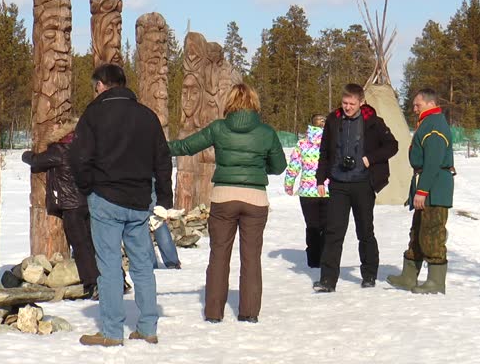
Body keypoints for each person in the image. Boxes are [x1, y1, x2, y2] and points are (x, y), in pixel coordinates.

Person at [70, 64, 173, 346]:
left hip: (105, 200)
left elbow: (78, 158)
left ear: (102, 84)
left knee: (110, 265)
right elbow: (163, 162)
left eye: (95, 86)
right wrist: (163, 199)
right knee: (142, 265)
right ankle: (148, 327)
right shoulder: (147, 117)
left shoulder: (93, 114)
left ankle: (112, 332)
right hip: (140, 201)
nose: (95, 91)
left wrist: (87, 188)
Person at [168, 83, 286, 324]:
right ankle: (249, 313)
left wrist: (153, 147)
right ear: (254, 103)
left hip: (223, 197)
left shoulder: (219, 128)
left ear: (229, 103)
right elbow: (279, 166)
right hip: (255, 200)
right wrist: (257, 166)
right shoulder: (266, 132)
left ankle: (213, 313)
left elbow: (185, 147)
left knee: (219, 255)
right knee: (251, 257)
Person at [313, 83, 398, 292]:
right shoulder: (333, 120)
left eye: (352, 103)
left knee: (365, 230)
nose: (348, 107)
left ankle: (369, 274)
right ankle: (327, 279)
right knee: (333, 232)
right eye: (345, 103)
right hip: (338, 183)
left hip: (363, 183)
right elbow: (324, 151)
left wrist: (371, 158)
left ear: (361, 102)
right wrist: (320, 179)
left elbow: (392, 145)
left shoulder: (373, 121)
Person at [21, 119, 99, 299]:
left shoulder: (59, 150)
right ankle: (116, 278)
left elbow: (36, 160)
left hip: (71, 205)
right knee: (94, 243)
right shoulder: (86, 148)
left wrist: (25, 154)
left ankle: (92, 283)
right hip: (88, 201)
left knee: (80, 246)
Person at [387, 88, 454, 294]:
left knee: (433, 232)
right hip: (427, 184)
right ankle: (409, 276)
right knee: (418, 230)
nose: (414, 109)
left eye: (418, 104)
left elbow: (433, 161)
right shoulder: (428, 122)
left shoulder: (435, 125)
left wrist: (423, 190)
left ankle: (436, 280)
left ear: (430, 103)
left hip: (435, 188)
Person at [284, 114, 330, 268]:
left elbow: (294, 166)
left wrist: (289, 185)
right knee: (326, 225)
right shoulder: (332, 141)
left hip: (307, 192)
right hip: (327, 190)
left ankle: (313, 259)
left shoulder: (302, 144)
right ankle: (325, 256)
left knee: (312, 225)